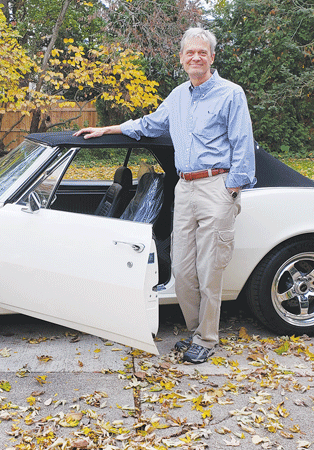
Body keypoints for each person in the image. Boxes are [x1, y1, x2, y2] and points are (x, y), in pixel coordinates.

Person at [75, 27, 256, 364]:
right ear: (182, 58)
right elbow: (149, 124)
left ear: (212, 57)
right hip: (184, 187)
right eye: (190, 52)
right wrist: (109, 129)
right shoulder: (178, 96)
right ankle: (195, 330)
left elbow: (243, 143)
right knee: (182, 269)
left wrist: (232, 188)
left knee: (210, 269)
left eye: (202, 52)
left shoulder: (231, 94)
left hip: (216, 185)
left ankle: (206, 338)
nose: (196, 57)